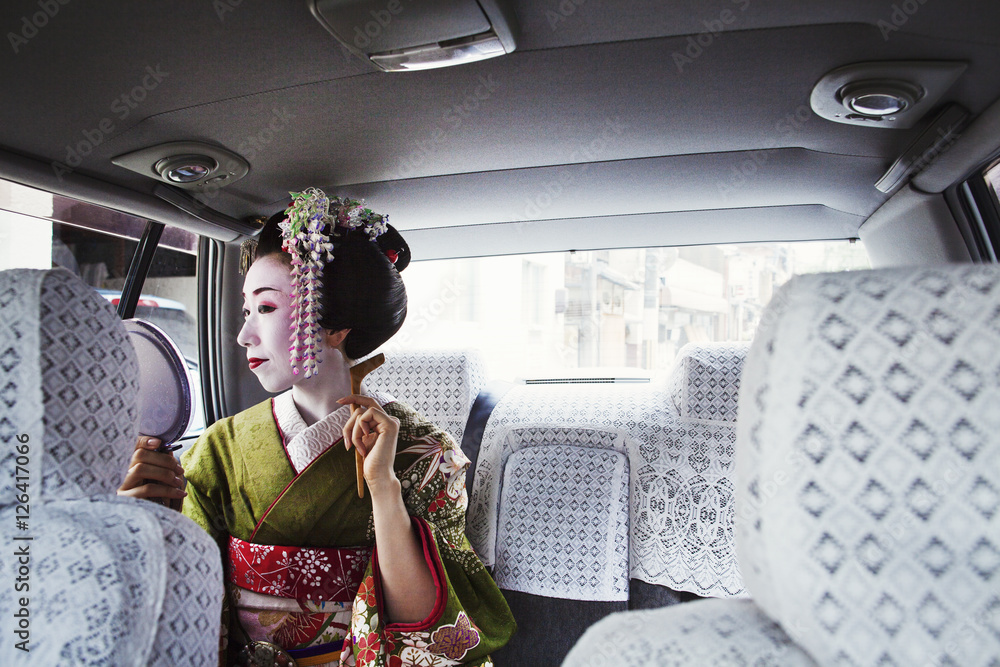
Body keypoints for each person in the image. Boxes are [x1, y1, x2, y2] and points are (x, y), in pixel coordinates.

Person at [118, 189, 515, 666]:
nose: (245, 334)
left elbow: (427, 625)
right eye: (247, 311)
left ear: (335, 326)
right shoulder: (219, 447)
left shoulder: (425, 452)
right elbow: (191, 597)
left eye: (265, 309)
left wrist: (384, 487)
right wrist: (143, 521)